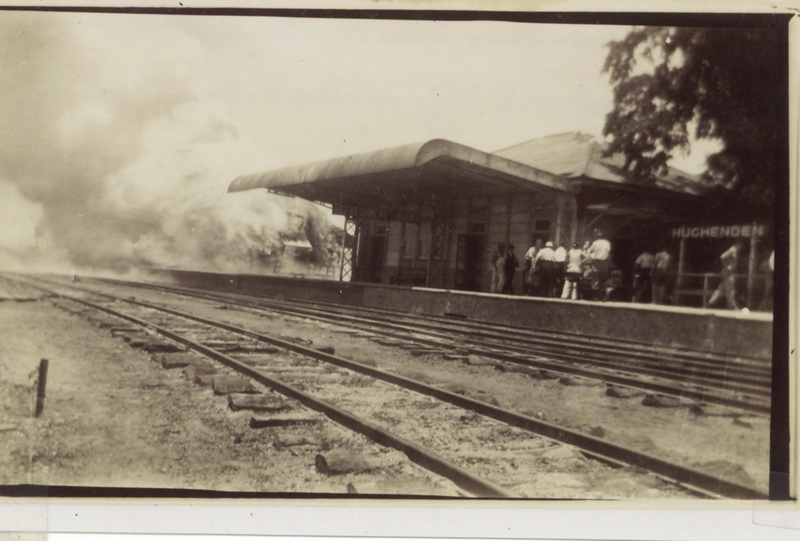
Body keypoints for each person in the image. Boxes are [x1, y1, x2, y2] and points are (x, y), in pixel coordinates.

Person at [708, 241, 743, 310]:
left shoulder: (734, 250)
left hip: (727, 271)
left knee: (722, 288)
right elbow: (722, 256)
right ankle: (732, 307)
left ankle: (711, 302)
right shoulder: (733, 249)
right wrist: (726, 265)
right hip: (729, 271)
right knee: (730, 289)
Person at [586, 229, 611, 295]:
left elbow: (589, 251)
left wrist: (590, 255)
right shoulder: (607, 243)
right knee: (602, 278)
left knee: (595, 277)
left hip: (596, 262)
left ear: (597, 237)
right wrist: (608, 263)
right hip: (604, 262)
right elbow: (609, 254)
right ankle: (601, 295)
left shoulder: (595, 243)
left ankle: (595, 294)